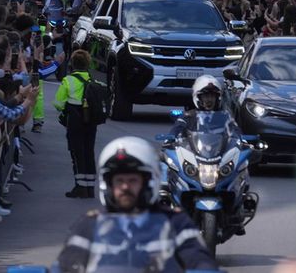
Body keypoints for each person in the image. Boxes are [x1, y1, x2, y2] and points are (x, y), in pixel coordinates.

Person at [57, 137, 218, 272]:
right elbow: (66, 264)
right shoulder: (88, 225)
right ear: (108, 185)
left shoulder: (176, 223)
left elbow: (199, 260)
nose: (125, 187)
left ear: (149, 182)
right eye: (119, 181)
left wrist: (204, 268)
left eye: (132, 180)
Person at [54, 49, 98, 198]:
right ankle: (90, 187)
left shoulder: (68, 80)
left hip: (75, 120)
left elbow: (58, 104)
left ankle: (80, 187)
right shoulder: (93, 80)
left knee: (77, 153)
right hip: (91, 121)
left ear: (72, 64)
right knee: (89, 152)